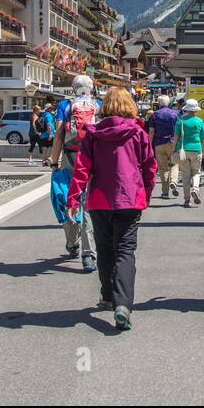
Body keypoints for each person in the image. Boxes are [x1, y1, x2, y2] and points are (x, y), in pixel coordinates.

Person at [67, 87, 157, 331]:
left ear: (105, 107)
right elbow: (150, 167)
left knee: (105, 249)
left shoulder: (93, 135)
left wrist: (73, 199)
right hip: (130, 198)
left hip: (99, 200)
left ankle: (108, 295)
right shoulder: (138, 133)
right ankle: (123, 305)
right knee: (125, 251)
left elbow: (82, 168)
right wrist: (146, 194)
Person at [49, 74, 99, 272]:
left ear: (73, 88)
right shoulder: (99, 105)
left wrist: (54, 161)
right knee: (86, 205)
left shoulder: (65, 105)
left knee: (68, 198)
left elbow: (59, 135)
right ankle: (88, 255)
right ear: (92, 87)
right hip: (92, 160)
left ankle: (72, 241)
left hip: (70, 159)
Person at [174, 98, 204, 207]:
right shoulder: (199, 121)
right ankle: (195, 189)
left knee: (185, 175)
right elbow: (203, 139)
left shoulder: (181, 120)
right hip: (196, 148)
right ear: (196, 109)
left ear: (186, 109)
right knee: (196, 172)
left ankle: (187, 200)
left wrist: (174, 148)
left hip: (183, 150)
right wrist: (203, 151)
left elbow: (176, 137)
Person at [146, 95, 180, 199]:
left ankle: (165, 193)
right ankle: (173, 181)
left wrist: (149, 145)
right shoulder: (175, 114)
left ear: (159, 103)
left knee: (162, 168)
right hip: (172, 142)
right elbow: (179, 130)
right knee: (174, 164)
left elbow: (151, 131)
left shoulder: (155, 115)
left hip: (159, 143)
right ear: (168, 103)